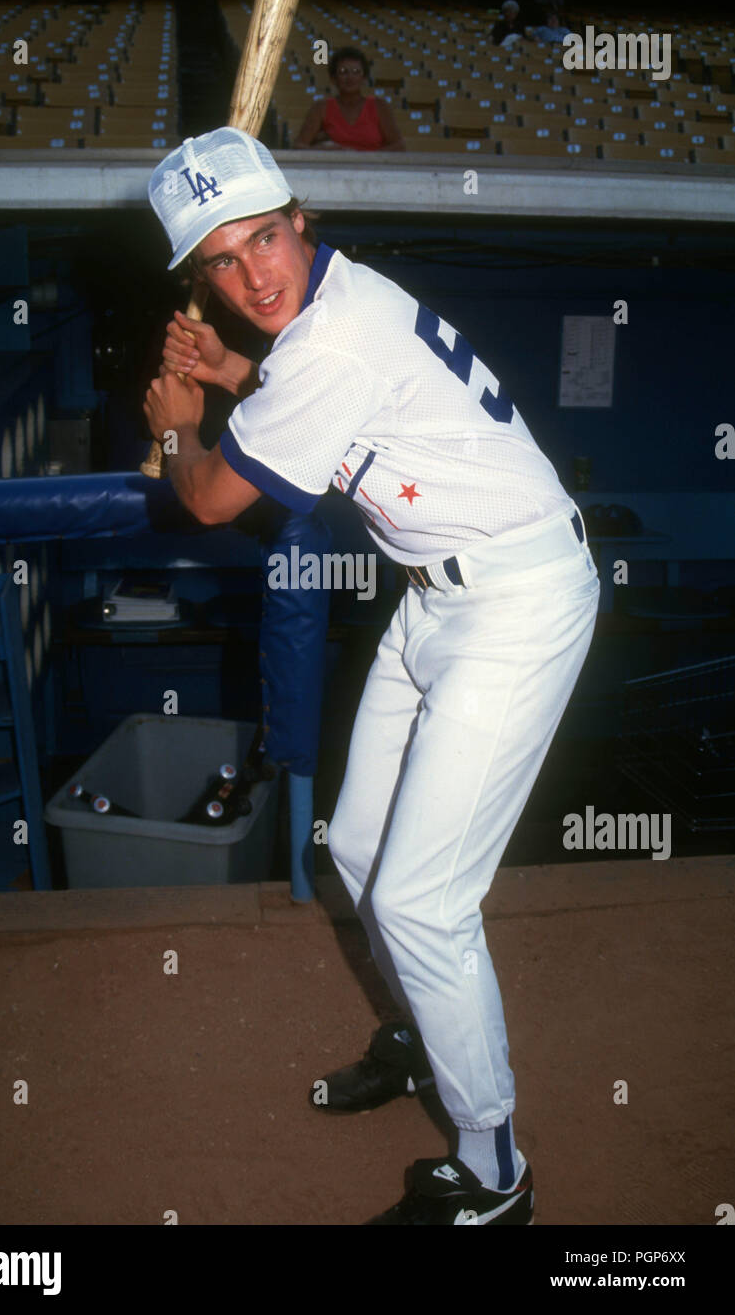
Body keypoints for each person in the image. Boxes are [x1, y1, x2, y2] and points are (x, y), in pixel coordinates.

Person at [144, 127, 600, 1225]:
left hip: (519, 600)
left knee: (422, 898)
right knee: (355, 849)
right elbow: (333, 406)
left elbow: (206, 498)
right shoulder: (334, 310)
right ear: (203, 274)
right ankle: (422, 1038)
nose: (256, 272)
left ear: (300, 220)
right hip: (437, 594)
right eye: (222, 258)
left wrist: (175, 429)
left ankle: (495, 1172)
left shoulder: (328, 344)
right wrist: (229, 372)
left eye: (266, 236)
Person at [292, 46, 405, 152]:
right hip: (332, 169)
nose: (350, 77)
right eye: (343, 72)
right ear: (333, 78)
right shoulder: (321, 108)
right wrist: (321, 150)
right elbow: (299, 146)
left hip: (372, 169)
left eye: (356, 72)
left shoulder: (380, 106)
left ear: (364, 77)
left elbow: (399, 145)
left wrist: (367, 158)